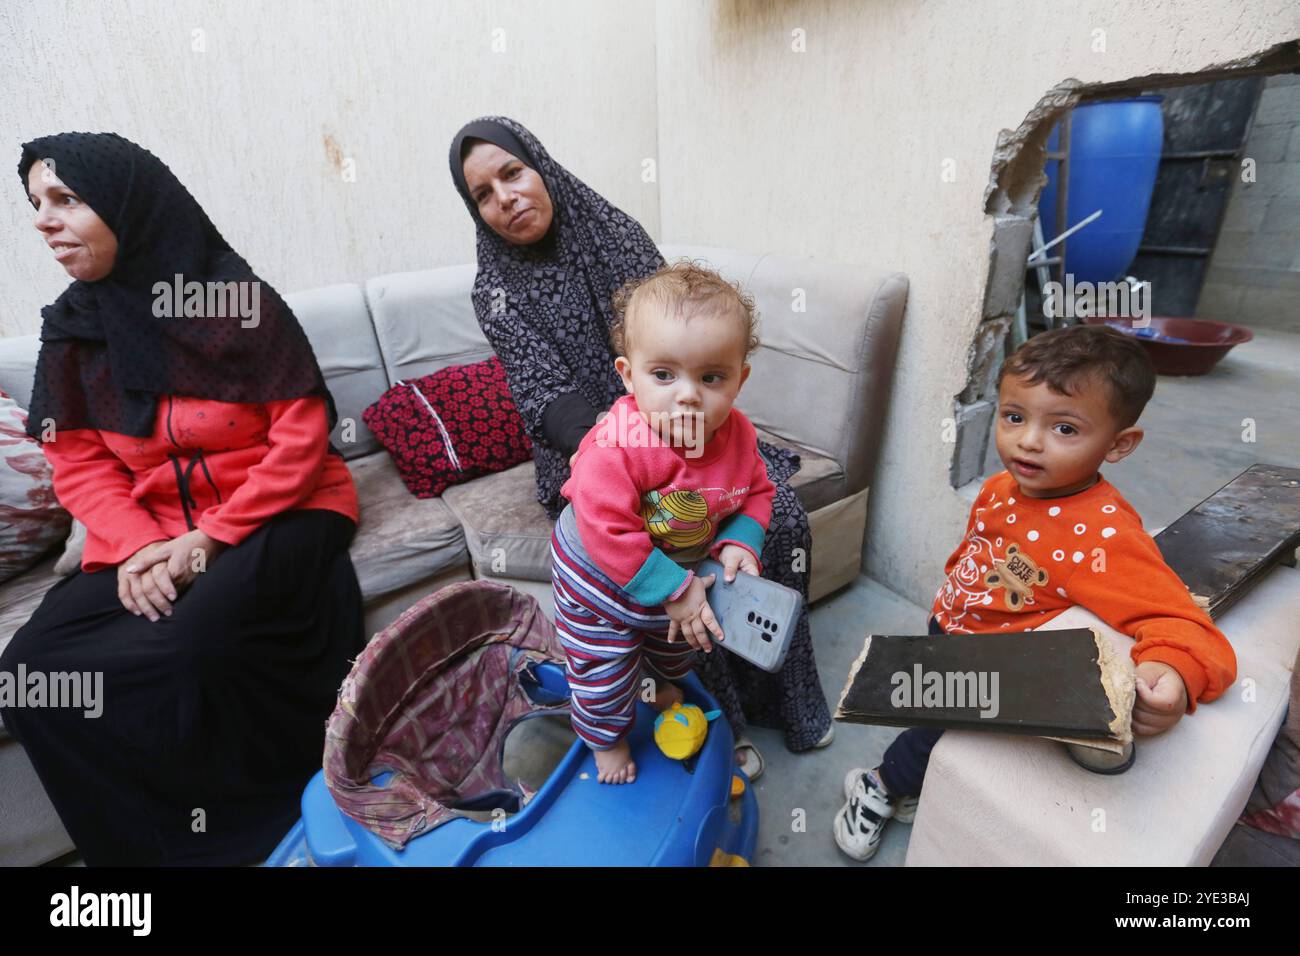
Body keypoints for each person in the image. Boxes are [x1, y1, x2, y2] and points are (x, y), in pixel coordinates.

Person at [0, 132, 363, 865]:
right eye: (36, 203)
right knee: (29, 673)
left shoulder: (234, 303)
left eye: (66, 199)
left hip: (281, 511)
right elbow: (77, 460)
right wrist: (138, 544)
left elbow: (301, 438)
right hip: (150, 530)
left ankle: (255, 835)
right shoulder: (72, 334)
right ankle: (139, 854)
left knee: (193, 644)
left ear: (131, 207)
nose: (42, 219)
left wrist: (211, 538)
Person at [449, 116, 833, 773]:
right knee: (671, 555)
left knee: (777, 522)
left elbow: (688, 327)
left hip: (693, 427)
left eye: (512, 172)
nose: (504, 196)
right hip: (597, 445)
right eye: (483, 193)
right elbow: (544, 395)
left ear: (541, 166)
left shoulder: (613, 230)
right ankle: (723, 723)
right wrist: (626, 440)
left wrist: (696, 436)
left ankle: (784, 695)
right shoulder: (495, 291)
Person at [832, 324, 1238, 862]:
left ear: (1119, 444)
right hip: (952, 626)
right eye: (1014, 416)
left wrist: (1177, 675)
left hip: (998, 668)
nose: (1027, 441)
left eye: (1065, 428)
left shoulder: (1106, 534)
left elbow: (1182, 622)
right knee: (925, 715)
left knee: (931, 731)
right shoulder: (1006, 485)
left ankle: (879, 785)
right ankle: (910, 779)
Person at [552, 261, 774, 783]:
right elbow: (606, 528)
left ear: (740, 380)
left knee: (677, 649)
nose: (688, 394)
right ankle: (603, 737)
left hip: (677, 577)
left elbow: (756, 492)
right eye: (664, 375)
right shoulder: (618, 444)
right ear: (629, 377)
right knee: (604, 669)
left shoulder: (738, 436)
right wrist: (672, 587)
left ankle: (658, 683)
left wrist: (742, 539)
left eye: (711, 377)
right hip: (598, 580)